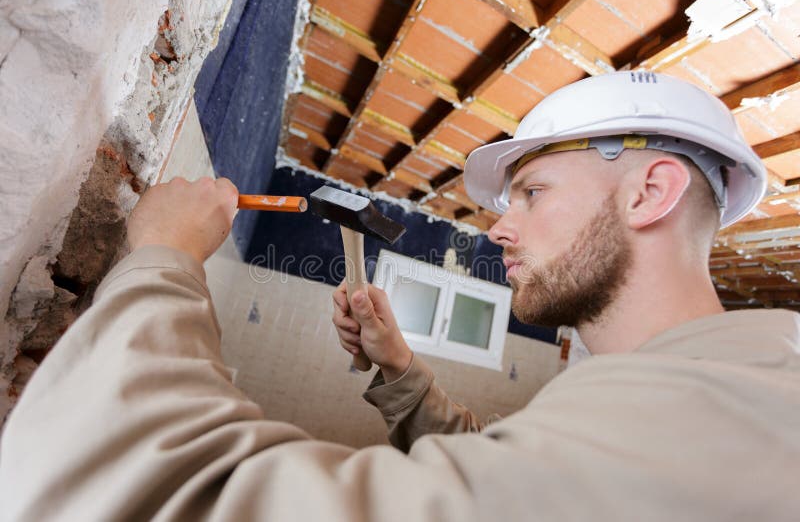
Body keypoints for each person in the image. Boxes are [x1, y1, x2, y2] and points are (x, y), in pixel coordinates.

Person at [1, 73, 798, 521]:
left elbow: (163, 498)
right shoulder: (711, 404)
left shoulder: (727, 418)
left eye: (532, 192)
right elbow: (495, 467)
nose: (498, 232)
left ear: (649, 190)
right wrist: (400, 368)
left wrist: (166, 259)